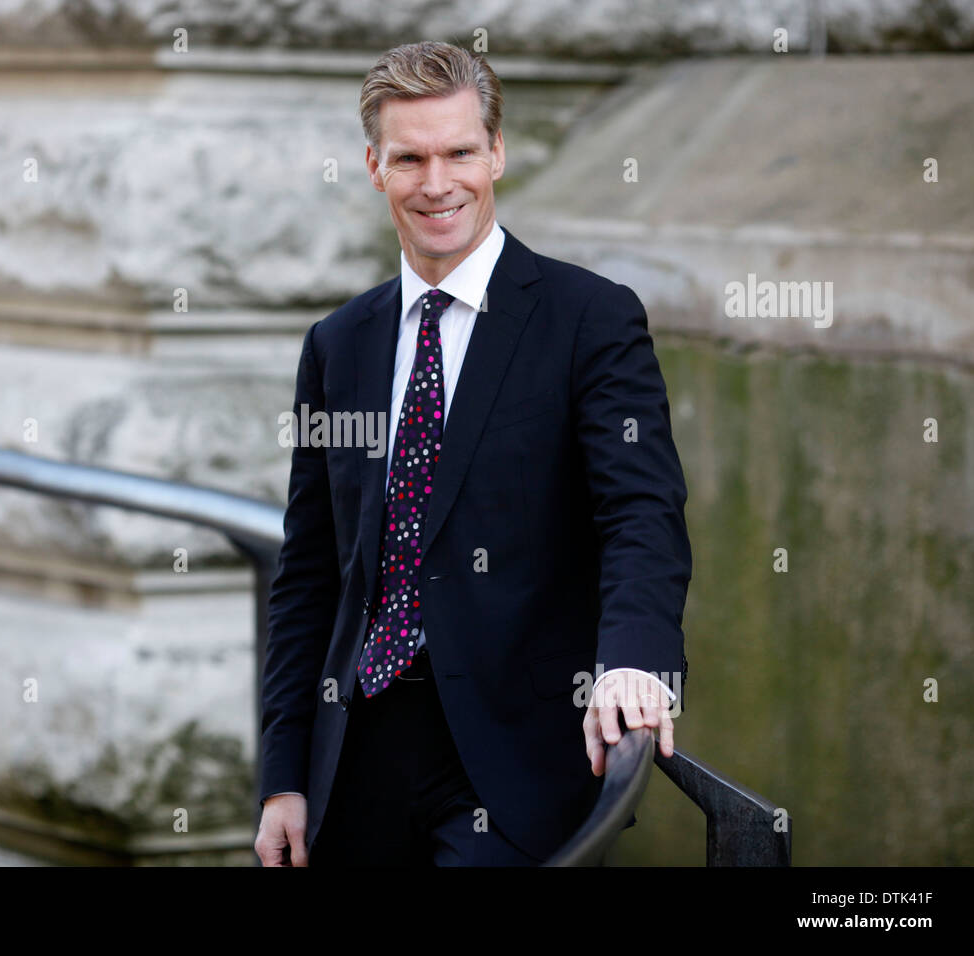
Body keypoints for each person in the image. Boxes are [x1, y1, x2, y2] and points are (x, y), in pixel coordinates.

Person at [254, 40, 692, 866]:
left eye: (459, 151)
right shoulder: (337, 344)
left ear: (496, 152)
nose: (436, 181)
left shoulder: (588, 319)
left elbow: (641, 512)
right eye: (409, 157)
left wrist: (635, 662)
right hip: (355, 765)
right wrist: (283, 775)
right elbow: (310, 572)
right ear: (376, 167)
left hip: (514, 766)